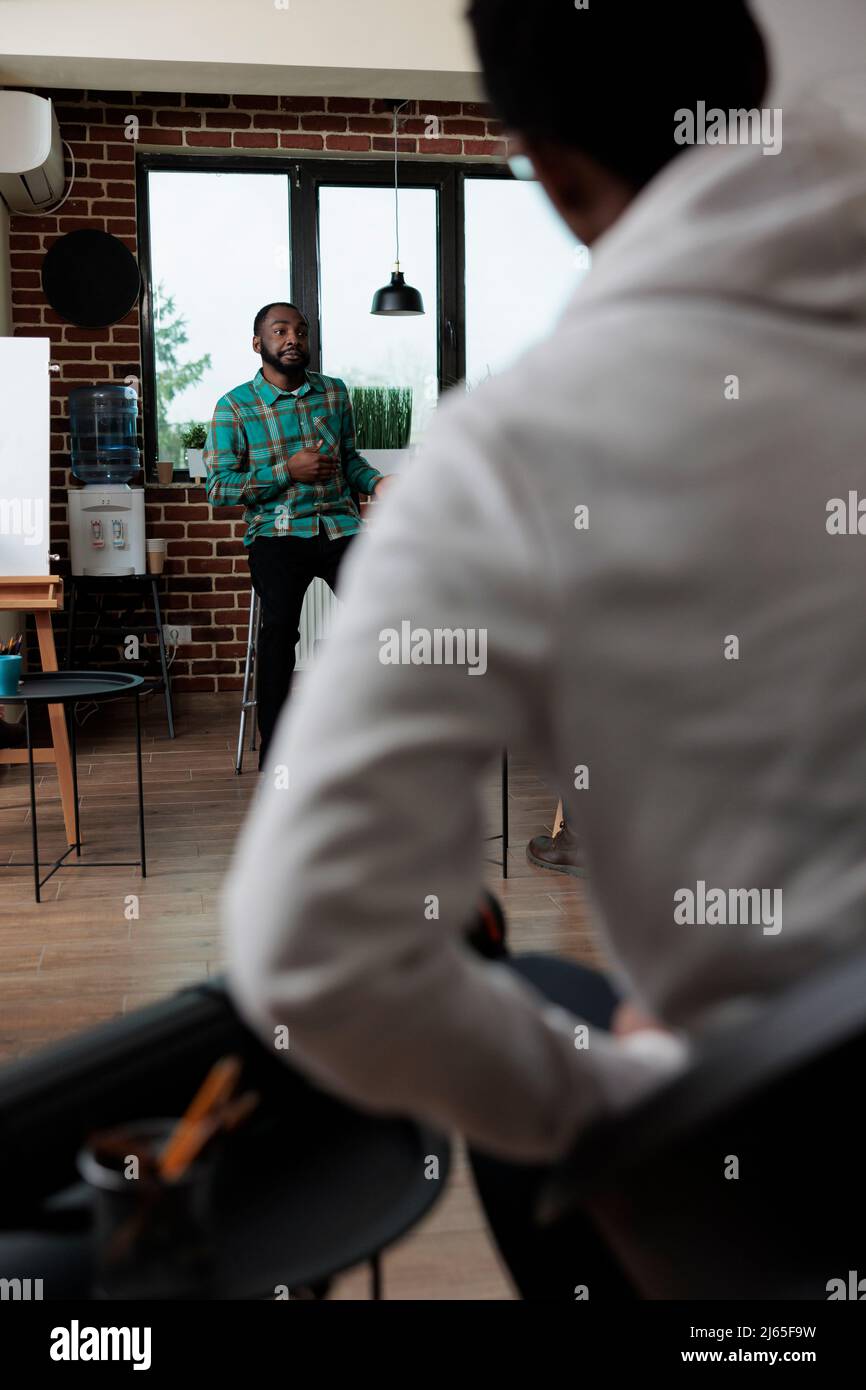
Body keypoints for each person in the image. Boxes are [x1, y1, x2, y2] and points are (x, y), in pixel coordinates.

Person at [223, 0, 866, 1299]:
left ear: (546, 168)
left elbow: (313, 950)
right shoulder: (275, 413)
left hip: (790, 1179)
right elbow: (233, 479)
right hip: (280, 536)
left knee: (529, 985)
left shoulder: (517, 445)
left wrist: (614, 1084)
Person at [205, 303, 393, 767]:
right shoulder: (234, 407)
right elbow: (219, 489)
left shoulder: (333, 393)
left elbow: (349, 461)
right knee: (279, 632)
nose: (293, 338)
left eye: (300, 331)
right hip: (276, 534)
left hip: (340, 527)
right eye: (280, 330)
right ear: (258, 343)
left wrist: (377, 482)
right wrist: (286, 471)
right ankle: (277, 749)